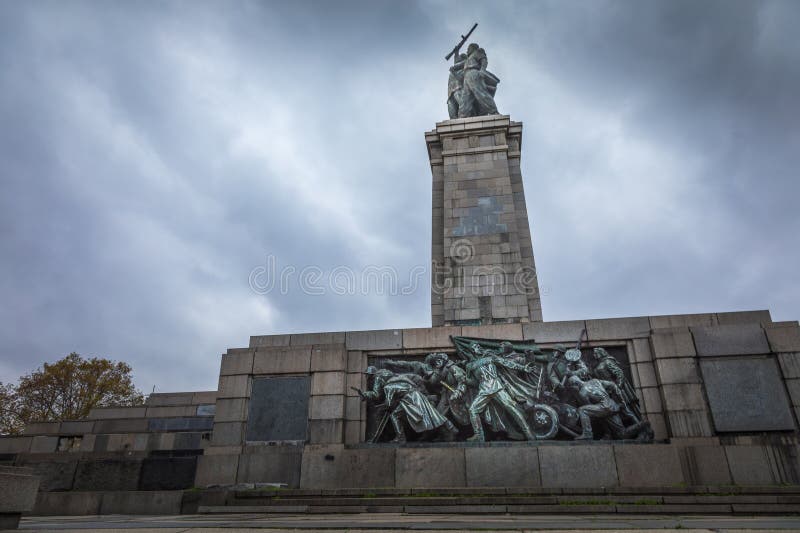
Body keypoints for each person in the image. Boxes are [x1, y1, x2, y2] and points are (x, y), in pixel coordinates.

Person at [354, 366, 456, 443]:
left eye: (369, 376)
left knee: (395, 415)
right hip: (415, 395)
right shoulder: (395, 379)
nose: (369, 378)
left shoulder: (387, 387)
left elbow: (388, 403)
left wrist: (378, 407)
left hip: (410, 399)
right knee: (432, 414)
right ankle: (451, 427)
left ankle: (401, 438)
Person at [463, 342, 537, 442]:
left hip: (497, 387)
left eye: (479, 346)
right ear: (472, 350)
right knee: (473, 410)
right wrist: (464, 380)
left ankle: (528, 432)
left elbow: (507, 363)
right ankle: (479, 435)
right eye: (475, 347)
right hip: (484, 391)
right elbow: (474, 383)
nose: (478, 348)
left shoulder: (491, 357)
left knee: (512, 408)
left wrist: (523, 368)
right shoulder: (470, 366)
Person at [458, 43, 499, 118]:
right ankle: (463, 115)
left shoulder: (477, 52)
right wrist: (456, 52)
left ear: (473, 48)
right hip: (466, 76)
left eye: (468, 48)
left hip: (474, 73)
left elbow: (484, 60)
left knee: (481, 93)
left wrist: (482, 71)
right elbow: (457, 63)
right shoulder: (468, 59)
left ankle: (493, 111)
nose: (467, 51)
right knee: (465, 98)